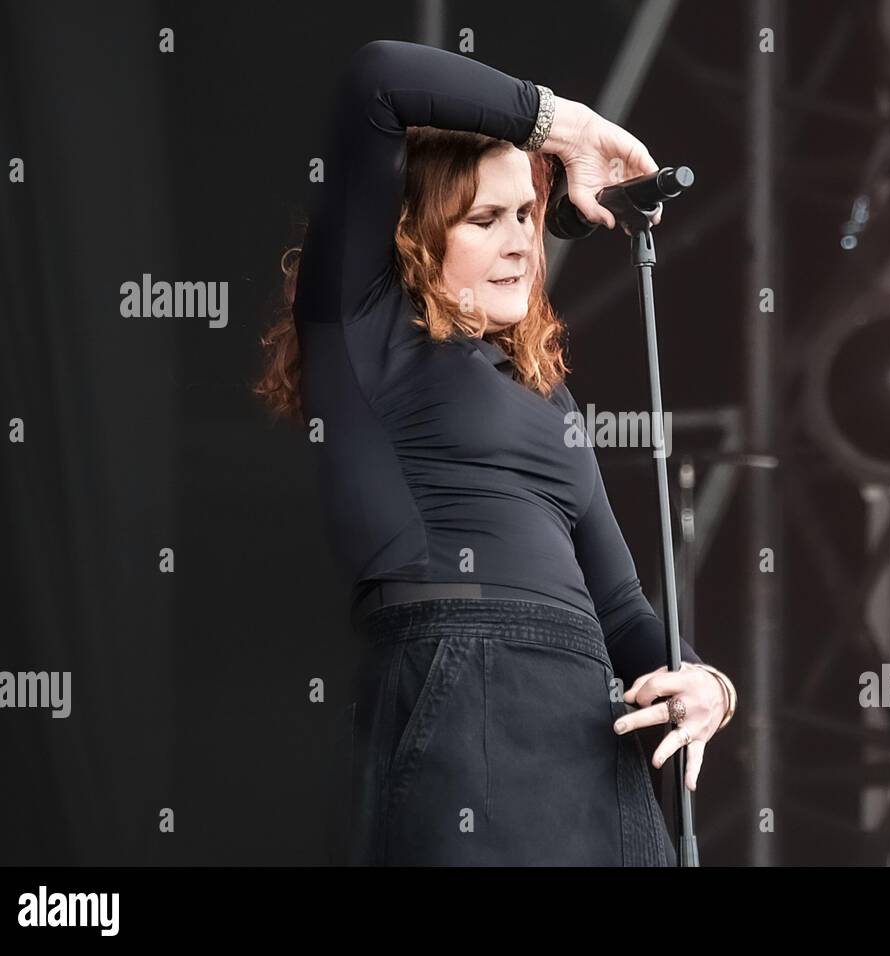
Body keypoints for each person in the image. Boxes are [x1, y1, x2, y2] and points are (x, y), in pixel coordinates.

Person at [255, 39, 737, 866]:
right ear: (408, 237)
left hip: (593, 728)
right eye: (484, 219)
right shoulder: (363, 328)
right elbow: (377, 78)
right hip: (468, 689)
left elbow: (621, 609)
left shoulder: (547, 395)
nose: (522, 243)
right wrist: (566, 127)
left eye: (525, 214)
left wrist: (706, 686)